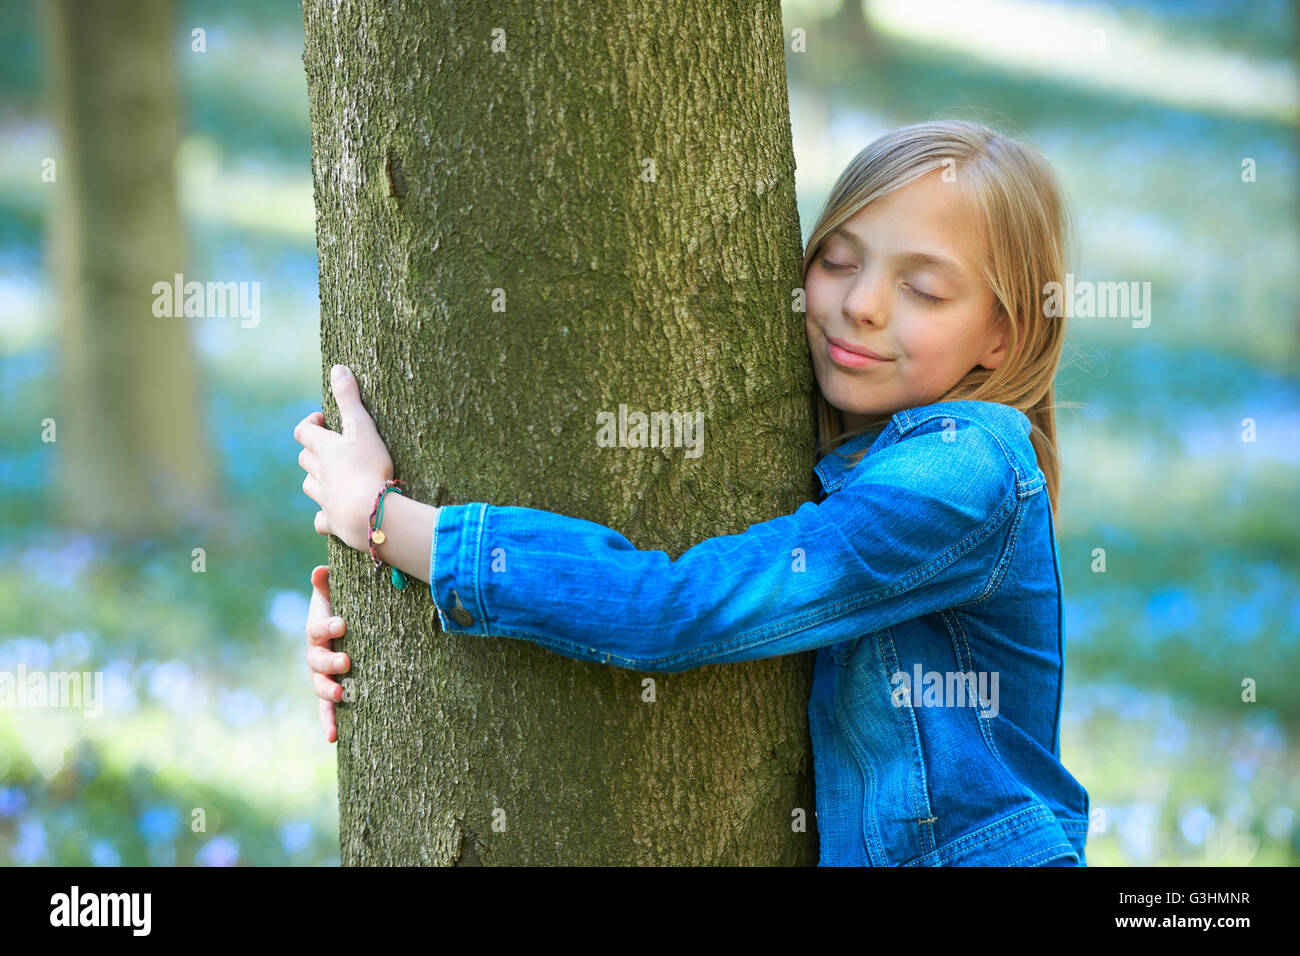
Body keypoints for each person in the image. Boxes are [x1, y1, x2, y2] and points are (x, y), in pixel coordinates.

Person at [293, 120, 1090, 866]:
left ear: (1002, 336)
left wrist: (389, 523)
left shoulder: (960, 476)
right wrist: (376, 616)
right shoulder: (853, 448)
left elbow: (680, 609)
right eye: (840, 260)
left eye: (924, 288)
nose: (862, 303)